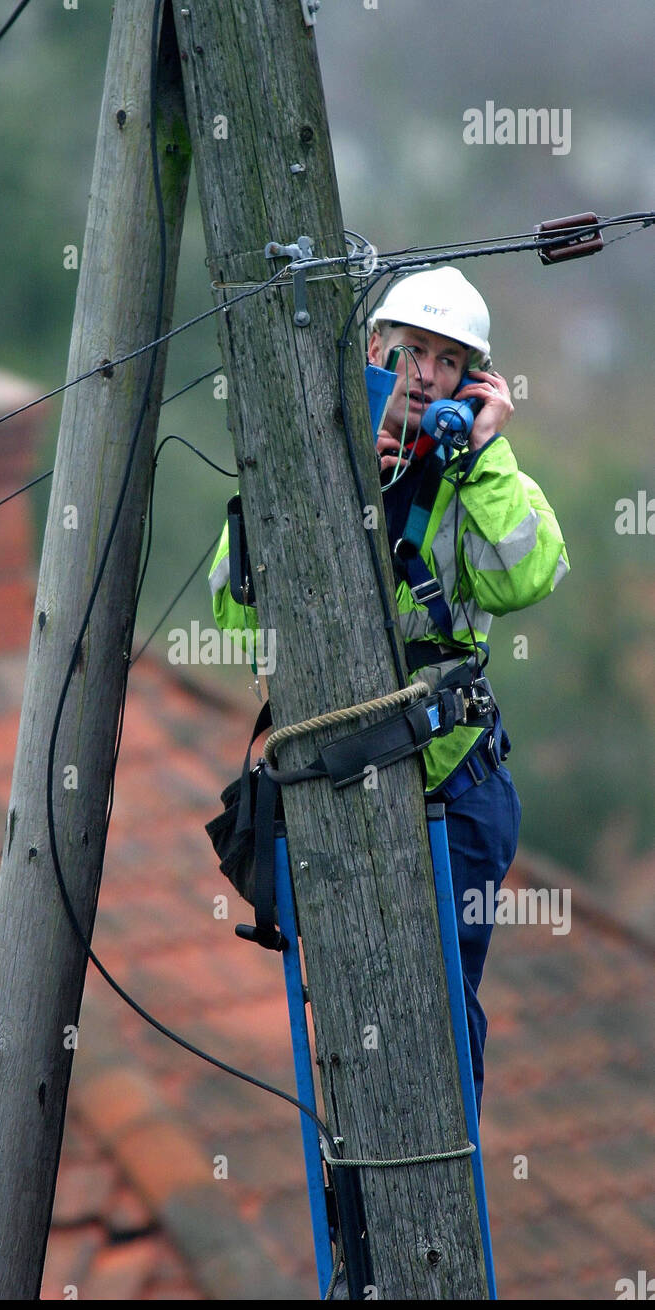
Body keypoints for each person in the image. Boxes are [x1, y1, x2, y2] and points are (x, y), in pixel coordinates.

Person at [207, 265, 569, 1117]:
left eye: (450, 363)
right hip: (337, 776)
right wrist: (325, 488)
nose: (425, 375)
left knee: (440, 1005)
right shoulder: (312, 455)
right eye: (410, 352)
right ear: (374, 350)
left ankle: (446, 1163)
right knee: (346, 999)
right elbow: (233, 610)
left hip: (454, 781)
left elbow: (527, 574)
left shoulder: (480, 477)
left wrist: (480, 455)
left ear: (473, 381)